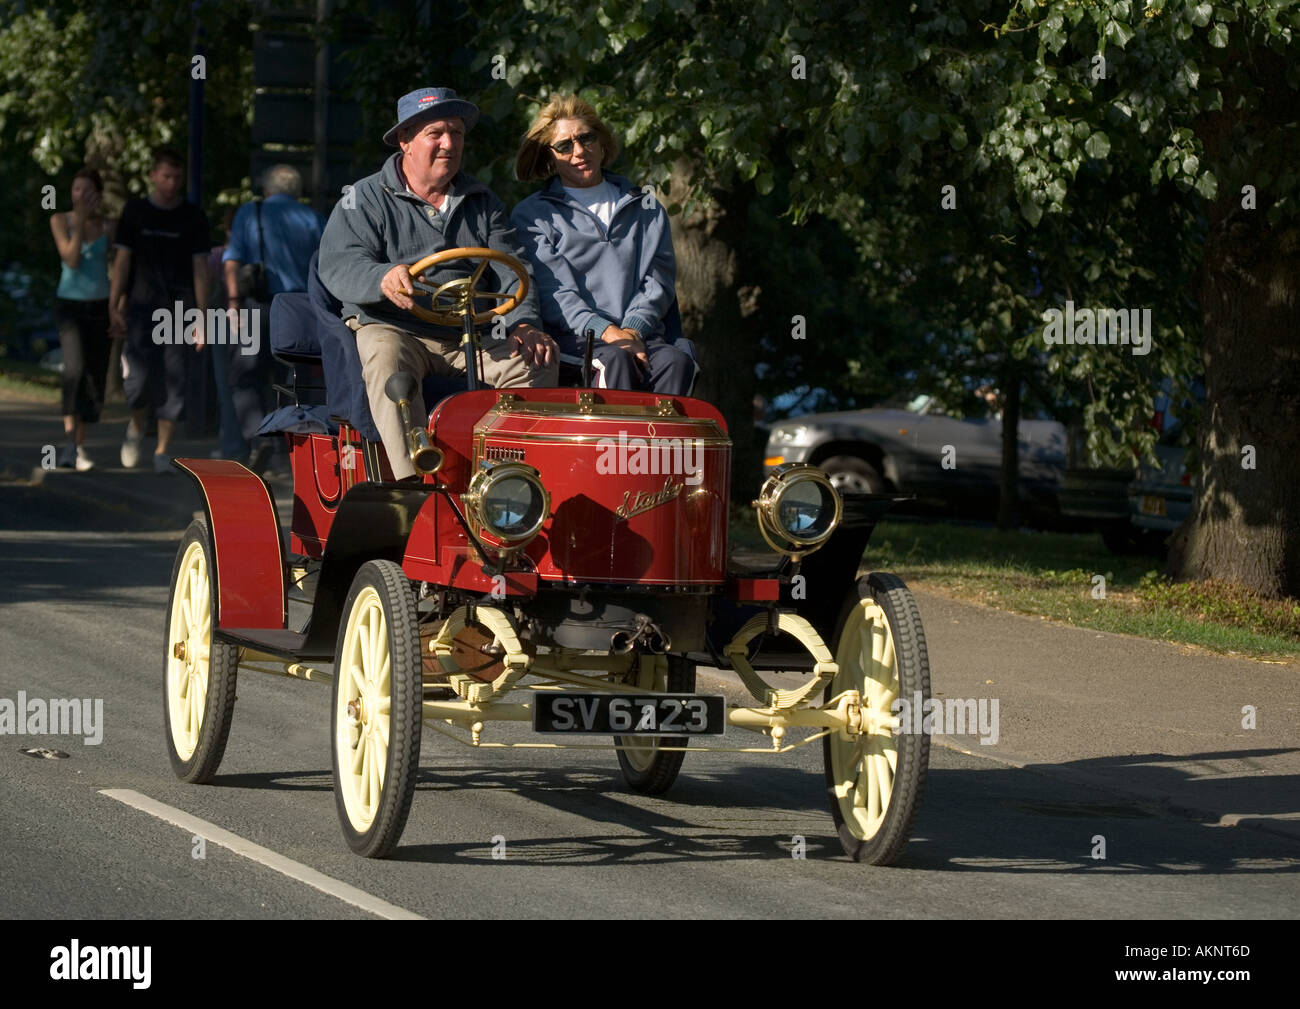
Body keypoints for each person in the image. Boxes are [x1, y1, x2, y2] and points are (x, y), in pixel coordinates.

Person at [317, 86, 559, 481]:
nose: (449, 144)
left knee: (535, 361)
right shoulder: (363, 198)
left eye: (457, 133)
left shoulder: (483, 201)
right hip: (398, 328)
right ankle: (411, 486)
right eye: (436, 133)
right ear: (405, 140)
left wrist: (525, 325)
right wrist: (383, 276)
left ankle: (506, 487)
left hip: (472, 334)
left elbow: (516, 270)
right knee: (383, 355)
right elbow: (339, 264)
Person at [510, 95, 695, 395]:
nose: (579, 151)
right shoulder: (532, 216)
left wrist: (633, 329)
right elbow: (555, 293)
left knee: (677, 362)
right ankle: (616, 444)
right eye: (565, 146)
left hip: (643, 334)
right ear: (549, 156)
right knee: (617, 362)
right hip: (577, 340)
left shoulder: (646, 207)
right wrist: (608, 333)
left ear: (602, 141)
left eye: (587, 138)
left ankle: (657, 444)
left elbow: (657, 281)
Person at [108, 147, 211, 473]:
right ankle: (137, 426)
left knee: (174, 381)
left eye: (177, 177)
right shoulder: (135, 211)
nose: (171, 182)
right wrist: (114, 304)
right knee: (138, 382)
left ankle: (163, 450)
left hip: (180, 310)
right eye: (166, 176)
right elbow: (122, 262)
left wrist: (202, 317)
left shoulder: (193, 217)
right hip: (140, 307)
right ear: (153, 175)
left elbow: (201, 269)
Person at [220, 165, 325, 470]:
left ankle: (259, 438)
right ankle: (286, 451)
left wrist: (233, 303)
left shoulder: (249, 213)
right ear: (297, 192)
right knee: (292, 381)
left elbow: (232, 262)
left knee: (244, 377)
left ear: (267, 190)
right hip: (299, 309)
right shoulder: (314, 218)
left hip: (256, 306)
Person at [49, 168, 115, 470]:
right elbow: (71, 259)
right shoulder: (60, 220)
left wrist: (117, 305)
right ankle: (67, 444)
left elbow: (118, 268)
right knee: (73, 370)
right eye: (77, 190)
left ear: (98, 195)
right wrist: (78, 222)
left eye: (88, 191)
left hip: (100, 306)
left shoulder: (108, 226)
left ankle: (79, 444)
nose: (81, 196)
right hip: (71, 306)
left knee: (93, 375)